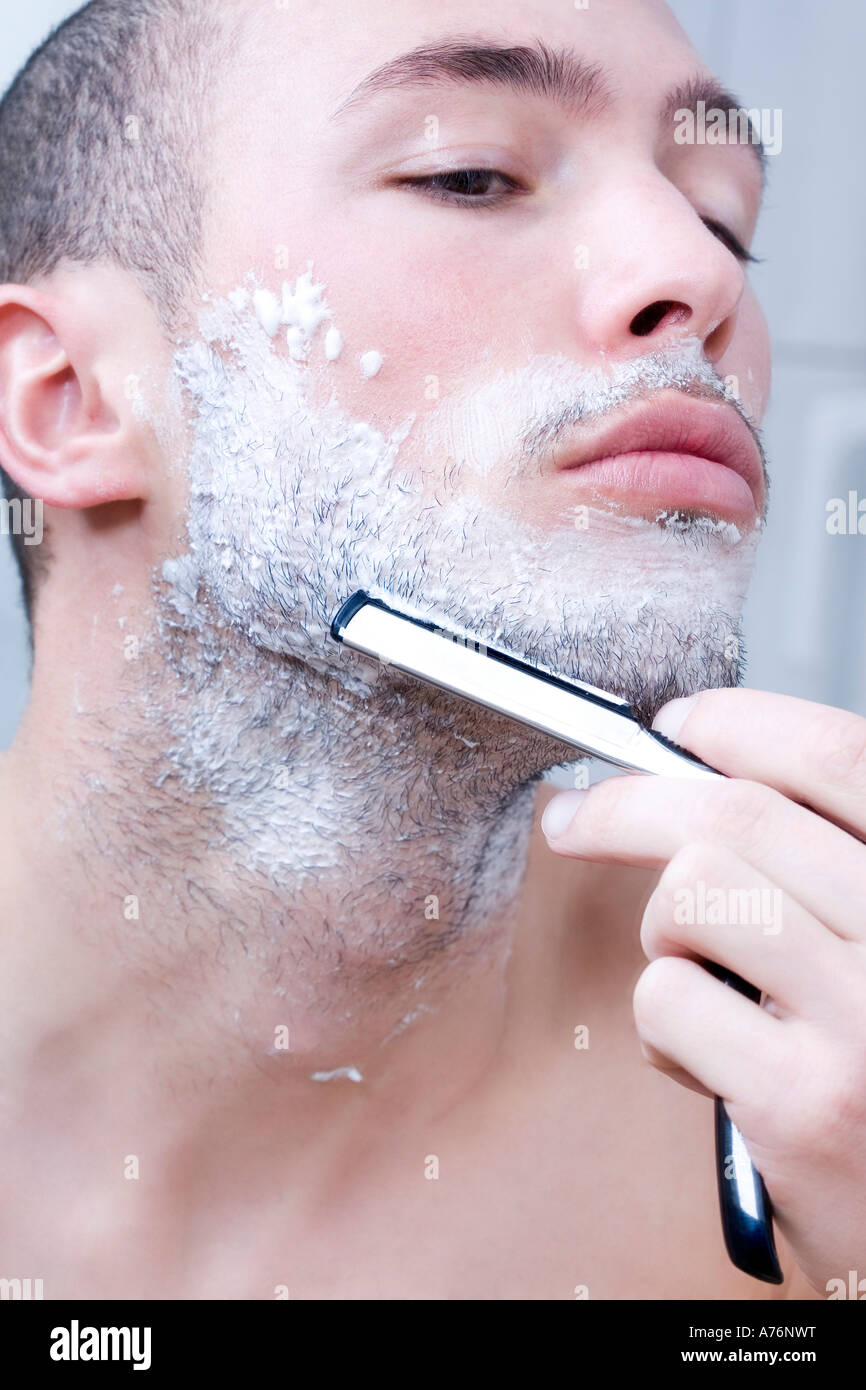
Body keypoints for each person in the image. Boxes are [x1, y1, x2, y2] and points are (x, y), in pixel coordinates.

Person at [0, 0, 859, 1300]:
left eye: (723, 217)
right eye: (469, 173)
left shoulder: (805, 1124)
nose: (705, 277)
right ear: (67, 402)